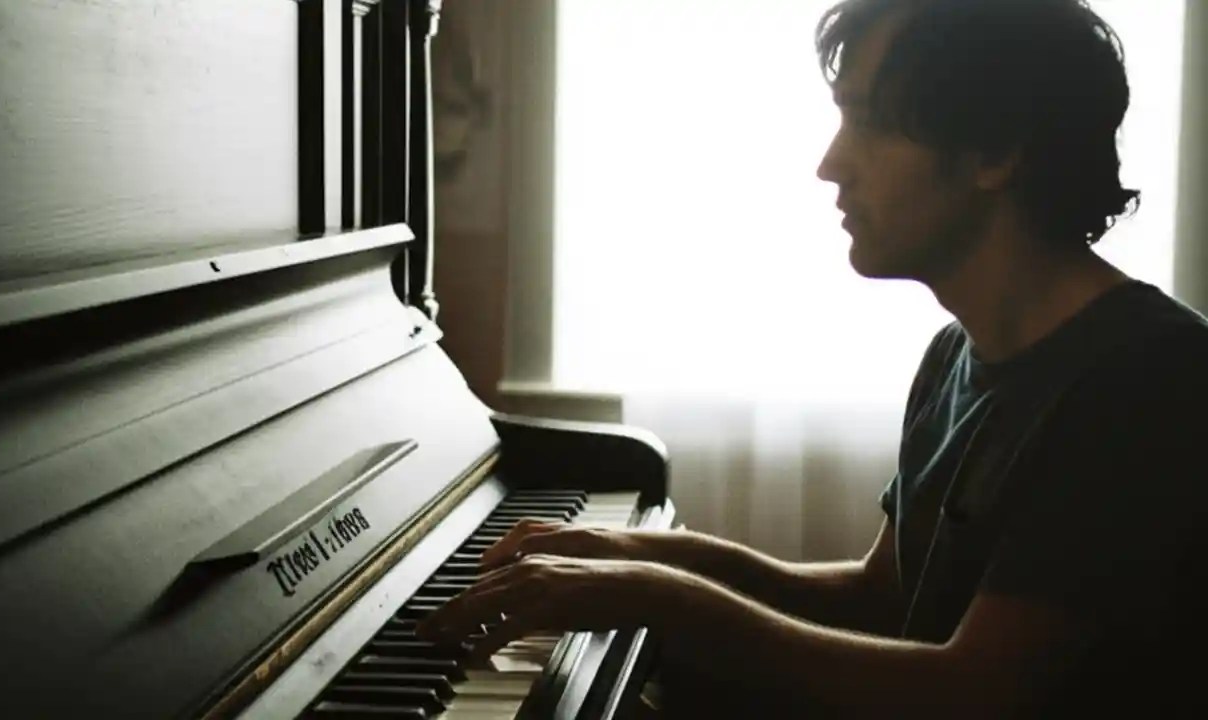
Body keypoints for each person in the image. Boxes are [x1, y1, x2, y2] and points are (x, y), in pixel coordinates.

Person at [419, 0, 1208, 714]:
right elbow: (880, 597)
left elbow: (978, 692)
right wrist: (637, 554)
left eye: (868, 122)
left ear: (995, 151)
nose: (831, 163)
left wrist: (660, 597)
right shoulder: (955, 355)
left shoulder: (1145, 378)